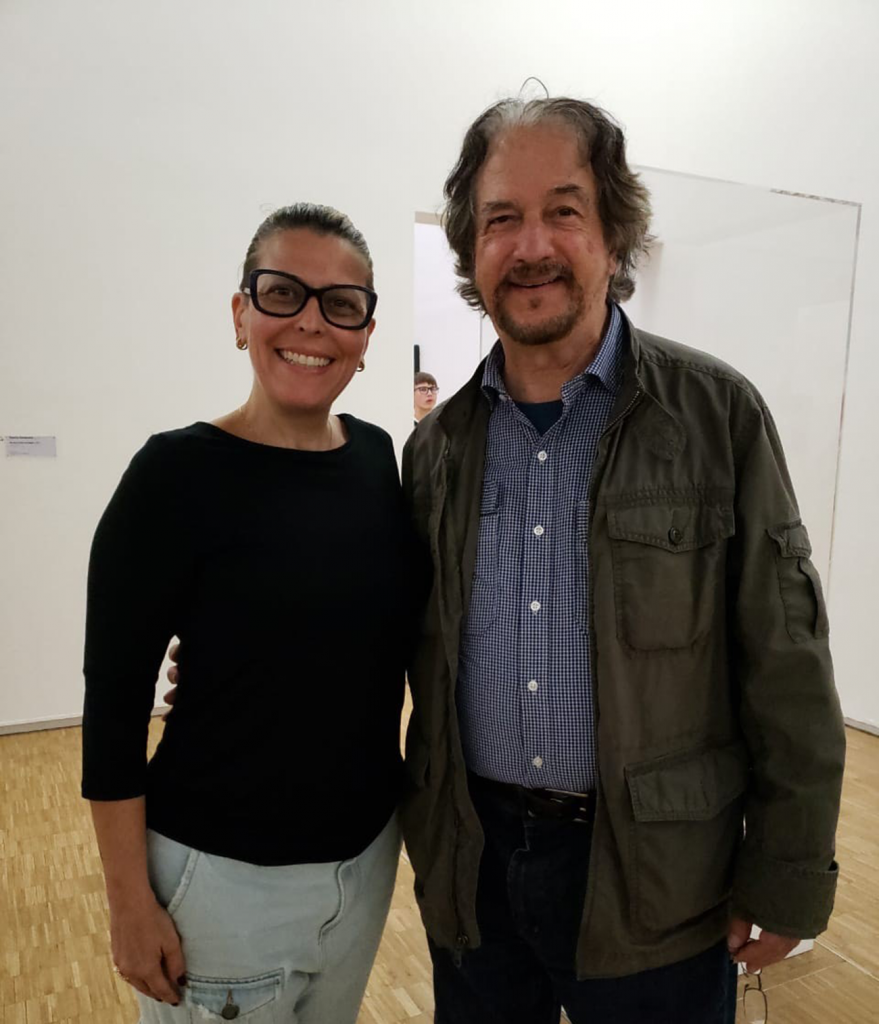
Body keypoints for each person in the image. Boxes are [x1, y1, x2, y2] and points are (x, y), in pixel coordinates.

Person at [400, 97, 846, 1024]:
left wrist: (788, 872)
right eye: (499, 218)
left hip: (658, 879)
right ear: (470, 250)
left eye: (562, 211)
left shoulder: (716, 417)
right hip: (473, 867)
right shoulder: (435, 449)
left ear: (614, 236)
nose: (530, 246)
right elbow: (382, 632)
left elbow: (786, 666)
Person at [82, 203, 410, 1024]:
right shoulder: (172, 476)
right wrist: (129, 904)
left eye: (341, 304)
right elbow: (113, 710)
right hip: (222, 882)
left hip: (366, 865)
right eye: (282, 293)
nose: (311, 322)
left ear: (366, 335)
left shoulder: (377, 458)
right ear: (240, 313)